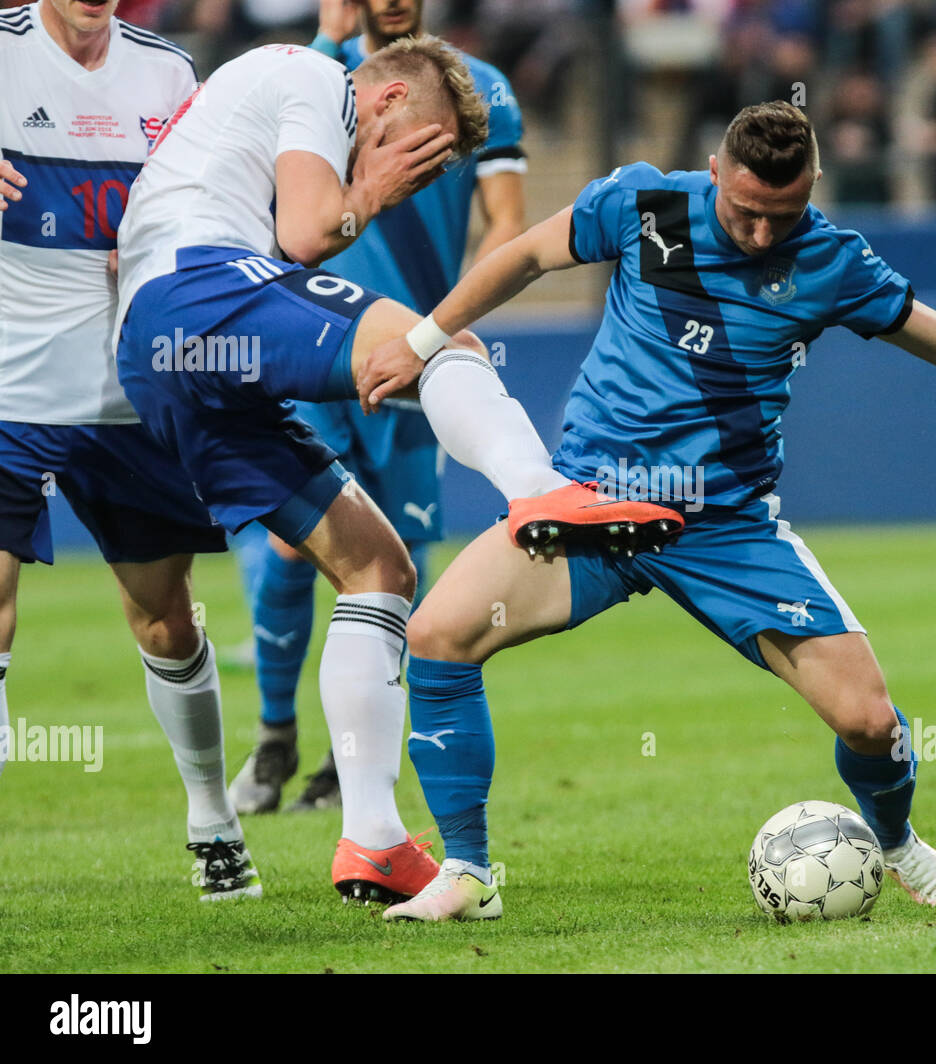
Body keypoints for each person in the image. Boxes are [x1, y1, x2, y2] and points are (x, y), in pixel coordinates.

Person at [359, 101, 936, 922]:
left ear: (814, 186)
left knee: (869, 722)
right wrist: (426, 340)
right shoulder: (644, 205)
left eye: (782, 215)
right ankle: (469, 871)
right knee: (437, 636)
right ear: (715, 173)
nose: (762, 234)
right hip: (592, 505)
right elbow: (525, 258)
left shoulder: (832, 261)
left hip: (724, 525)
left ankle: (898, 841)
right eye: (747, 212)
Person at [112, 34, 681, 903]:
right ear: (383, 102)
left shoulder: (246, 114)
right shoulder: (312, 78)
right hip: (198, 289)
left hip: (163, 351)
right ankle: (541, 492)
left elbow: (281, 243)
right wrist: (372, 192)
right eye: (422, 146)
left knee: (379, 569)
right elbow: (306, 233)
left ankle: (373, 838)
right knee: (442, 338)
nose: (421, 171)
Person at [227, 0, 529, 817]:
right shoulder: (319, 77)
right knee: (296, 548)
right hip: (312, 340)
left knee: (396, 552)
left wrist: (443, 329)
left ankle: (345, 757)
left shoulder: (483, 90)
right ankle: (273, 736)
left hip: (411, 351)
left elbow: (507, 224)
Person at [0, 0, 258, 900]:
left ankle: (212, 818)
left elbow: (212, 202)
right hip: (9, 382)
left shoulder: (169, 74)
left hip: (123, 388)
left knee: (166, 620)